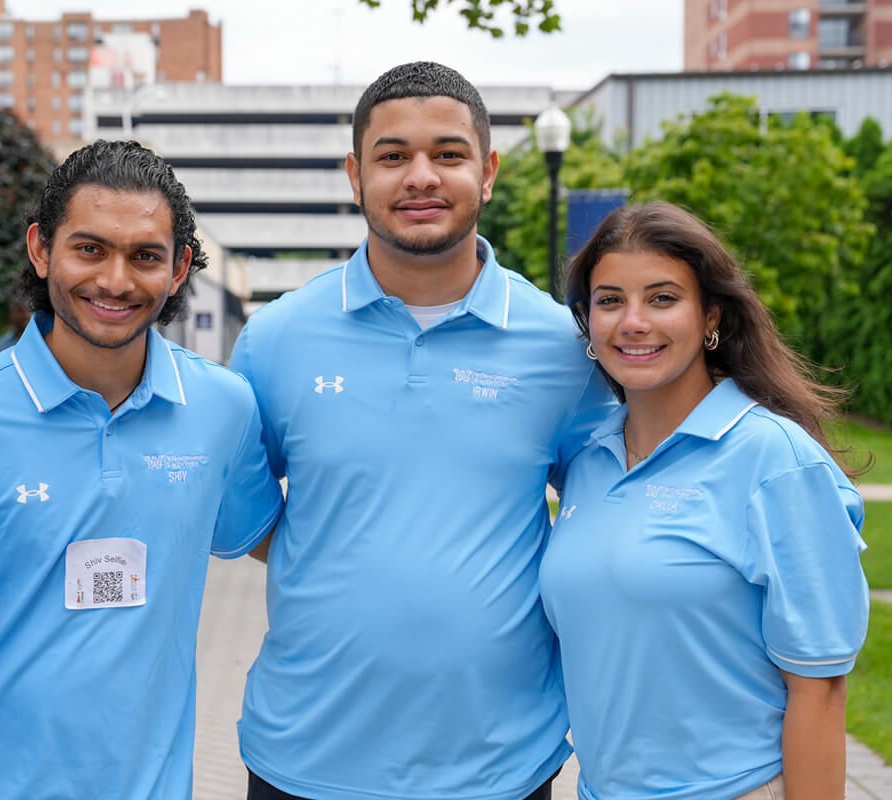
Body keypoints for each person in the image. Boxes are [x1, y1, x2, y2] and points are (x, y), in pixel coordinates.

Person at [230, 61, 614, 800]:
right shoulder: (276, 338)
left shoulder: (561, 346)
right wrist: (339, 548)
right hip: (303, 759)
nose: (420, 176)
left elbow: (610, 511)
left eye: (447, 153)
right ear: (354, 174)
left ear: (489, 171)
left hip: (500, 765)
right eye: (392, 155)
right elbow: (245, 511)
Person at [0, 139, 283, 799]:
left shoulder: (223, 408)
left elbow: (275, 540)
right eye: (89, 248)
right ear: (41, 248)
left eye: (144, 256)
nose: (114, 280)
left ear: (179, 267)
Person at [542, 201, 868, 800]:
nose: (633, 321)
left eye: (663, 298)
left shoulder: (775, 460)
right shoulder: (587, 460)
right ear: (588, 322)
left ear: (710, 315)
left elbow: (819, 688)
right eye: (610, 300)